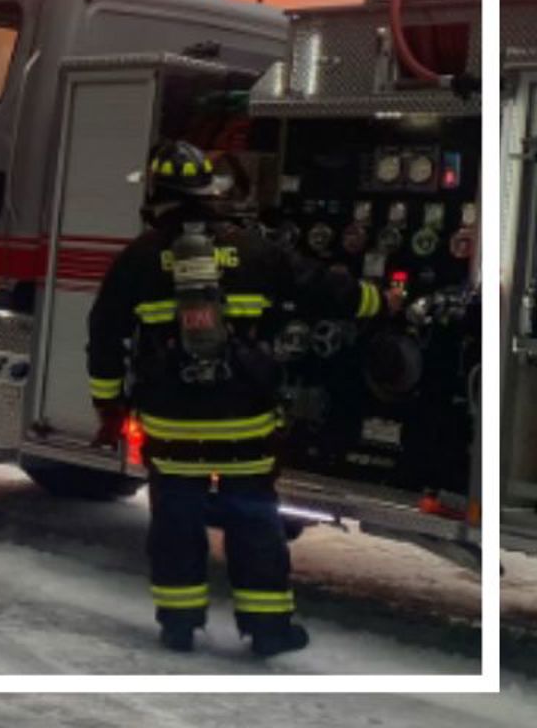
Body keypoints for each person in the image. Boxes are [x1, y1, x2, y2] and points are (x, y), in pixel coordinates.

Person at [86, 140, 397, 657]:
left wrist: (109, 407)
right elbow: (323, 287)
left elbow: (104, 336)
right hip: (245, 417)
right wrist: (379, 302)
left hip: (172, 420)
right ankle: (269, 628)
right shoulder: (254, 249)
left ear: (157, 193)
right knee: (253, 516)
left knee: (176, 518)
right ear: (208, 191)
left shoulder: (137, 258)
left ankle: (180, 623)